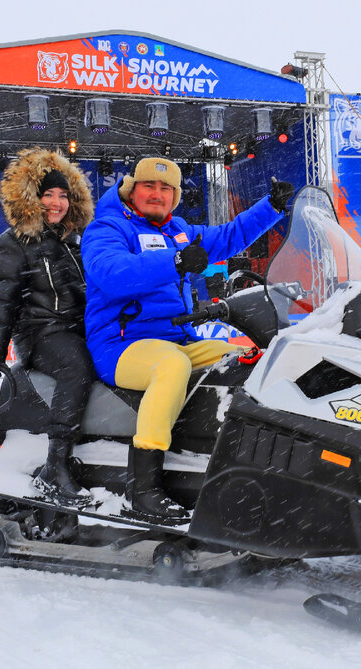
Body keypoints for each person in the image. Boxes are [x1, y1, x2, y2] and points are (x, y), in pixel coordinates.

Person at [82, 156, 293, 523]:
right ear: (132, 190)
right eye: (149, 186)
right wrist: (176, 261)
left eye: (166, 188)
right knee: (171, 366)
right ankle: (143, 487)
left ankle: (237, 458)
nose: (157, 194)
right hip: (120, 345)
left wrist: (271, 207)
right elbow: (114, 274)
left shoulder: (176, 229)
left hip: (177, 337)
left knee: (243, 359)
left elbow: (226, 238)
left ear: (175, 196)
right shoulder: (107, 228)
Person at [0, 148, 96, 506]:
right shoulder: (13, 243)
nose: (56, 203)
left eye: (63, 195)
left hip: (77, 329)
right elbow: (2, 299)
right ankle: (55, 466)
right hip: (40, 334)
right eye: (48, 194)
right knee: (77, 367)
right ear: (32, 199)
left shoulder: (75, 242)